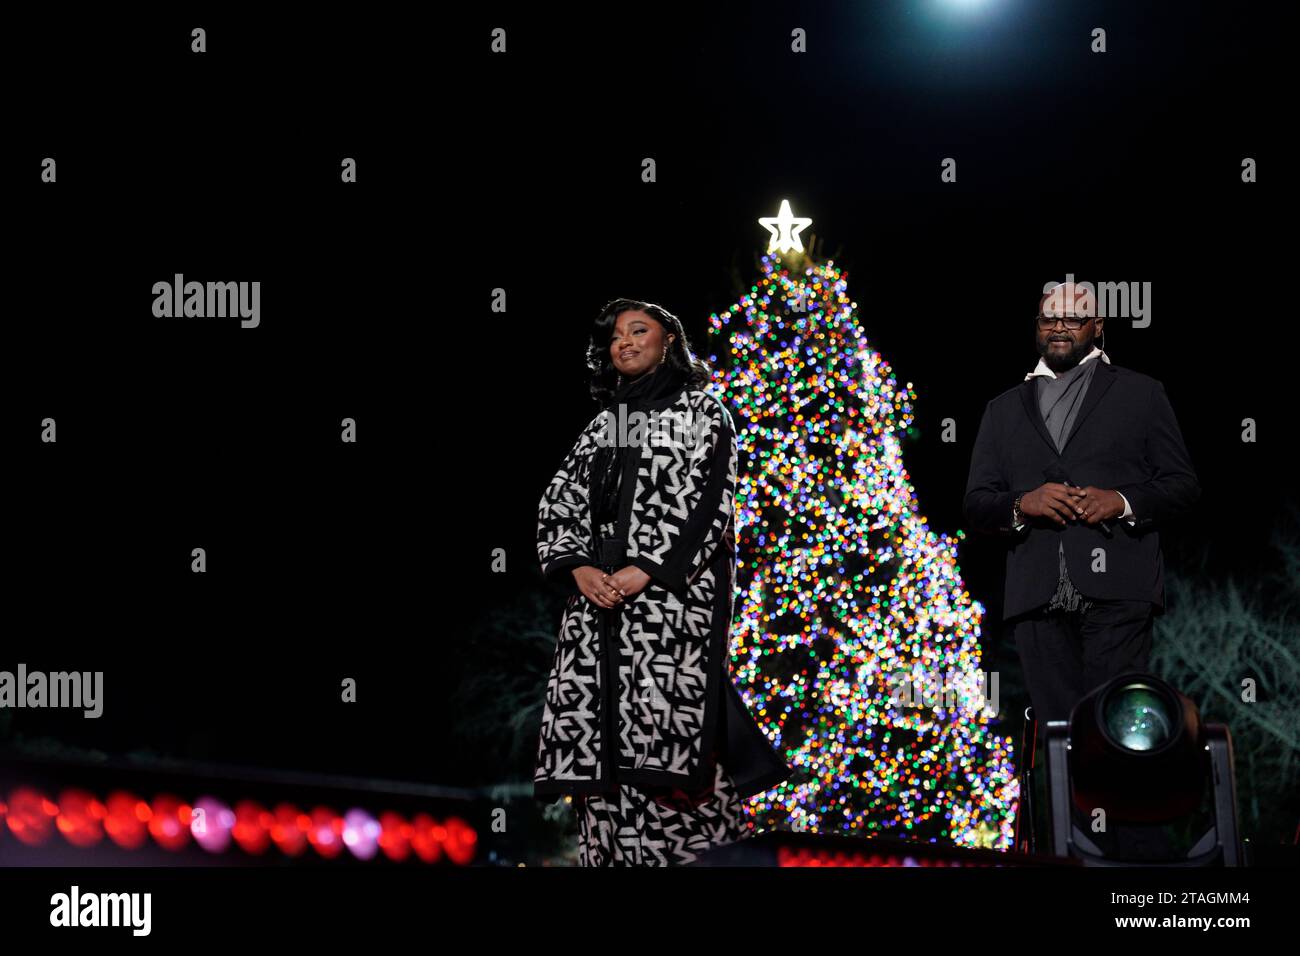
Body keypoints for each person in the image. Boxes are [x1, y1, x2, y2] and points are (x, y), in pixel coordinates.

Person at [534, 297, 792, 866]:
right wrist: (580, 568)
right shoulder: (607, 423)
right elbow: (560, 502)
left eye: (637, 330)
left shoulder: (702, 410)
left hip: (670, 605)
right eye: (614, 336)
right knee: (599, 756)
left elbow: (709, 505)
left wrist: (644, 569)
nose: (623, 343)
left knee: (672, 752)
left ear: (668, 340)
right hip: (596, 609)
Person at [963, 281, 1200, 859]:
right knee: (1062, 738)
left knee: (1118, 730)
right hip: (1039, 596)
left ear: (1100, 329)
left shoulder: (1141, 394)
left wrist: (1120, 502)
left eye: (1074, 318)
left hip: (1117, 591)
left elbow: (1183, 487)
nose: (1059, 327)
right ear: (1036, 329)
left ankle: (1140, 865)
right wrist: (1023, 504)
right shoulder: (1001, 410)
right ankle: (1077, 857)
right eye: (1048, 319)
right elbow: (975, 505)